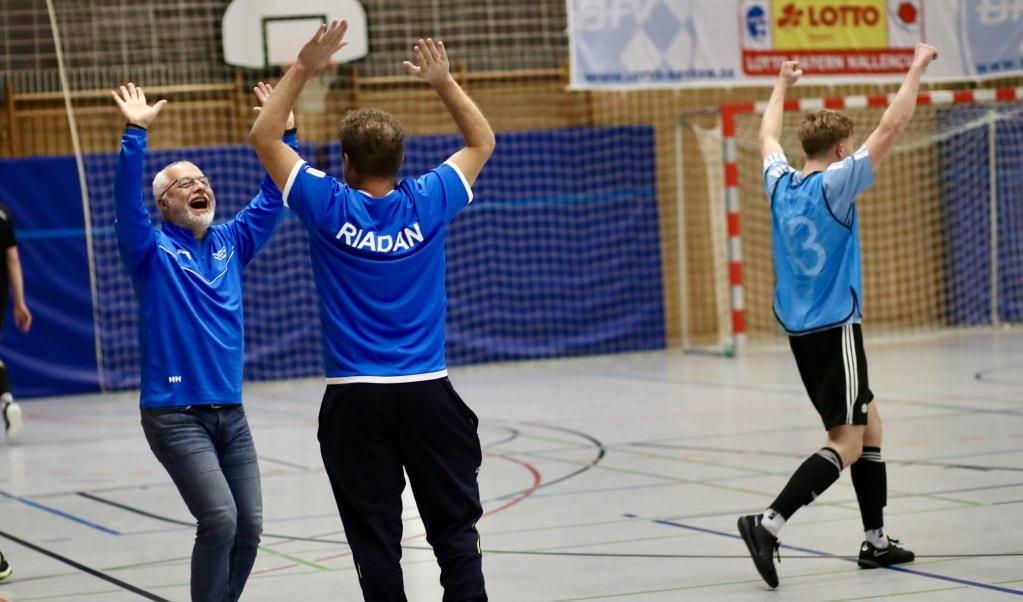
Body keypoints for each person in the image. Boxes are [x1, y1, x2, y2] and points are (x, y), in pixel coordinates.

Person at [249, 21, 494, 601]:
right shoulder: (429, 198)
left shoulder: (327, 201)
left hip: (356, 399)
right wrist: (443, 81)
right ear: (401, 161)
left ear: (345, 162)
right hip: (428, 394)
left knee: (375, 540)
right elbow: (482, 140)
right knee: (455, 533)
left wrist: (304, 67)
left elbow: (265, 137)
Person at [737, 43, 939, 589]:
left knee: (871, 424)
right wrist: (915, 67)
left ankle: (875, 543)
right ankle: (769, 523)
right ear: (843, 147)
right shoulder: (835, 184)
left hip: (802, 329)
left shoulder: (780, 183)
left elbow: (766, 138)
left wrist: (781, 83)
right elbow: (892, 128)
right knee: (848, 442)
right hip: (835, 326)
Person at [110, 81, 297, 602]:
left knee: (250, 527)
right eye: (186, 183)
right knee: (220, 518)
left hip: (230, 415)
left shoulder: (231, 242)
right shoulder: (149, 253)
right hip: (175, 415)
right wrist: (135, 134)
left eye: (204, 179)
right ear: (166, 204)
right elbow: (127, 204)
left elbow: (273, 194)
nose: (201, 186)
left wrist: (287, 135)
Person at [0, 199, 31, 445]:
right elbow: (13, 259)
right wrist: (19, 301)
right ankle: (7, 400)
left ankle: (6, 400)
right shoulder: (4, 213)